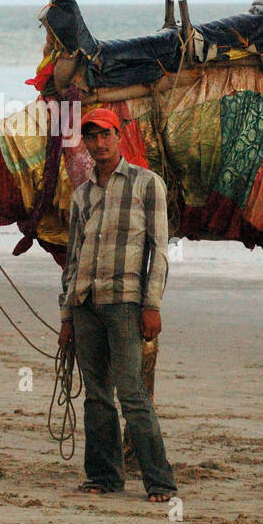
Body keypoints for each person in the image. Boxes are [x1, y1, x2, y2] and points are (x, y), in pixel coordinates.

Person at [59, 107, 178, 502]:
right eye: (91, 137)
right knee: (95, 394)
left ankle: (159, 482)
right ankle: (104, 476)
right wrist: (66, 316)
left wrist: (152, 304)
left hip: (125, 303)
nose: (99, 143)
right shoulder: (82, 195)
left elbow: (158, 251)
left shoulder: (148, 185)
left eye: (106, 134)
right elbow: (73, 258)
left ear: (119, 136)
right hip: (85, 303)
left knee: (131, 393)